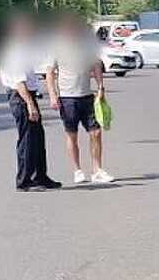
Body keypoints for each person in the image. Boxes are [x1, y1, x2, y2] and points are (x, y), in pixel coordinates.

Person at [0, 15, 60, 192]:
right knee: (27, 140)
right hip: (21, 97)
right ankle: (23, 179)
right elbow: (19, 82)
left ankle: (40, 176)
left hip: (28, 95)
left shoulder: (24, 49)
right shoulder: (15, 52)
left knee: (38, 138)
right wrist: (30, 105)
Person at [48, 14, 113, 184]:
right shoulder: (56, 47)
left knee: (96, 133)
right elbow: (49, 73)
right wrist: (53, 95)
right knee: (72, 135)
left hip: (87, 95)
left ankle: (97, 170)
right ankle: (77, 170)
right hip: (67, 97)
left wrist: (100, 87)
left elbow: (96, 65)